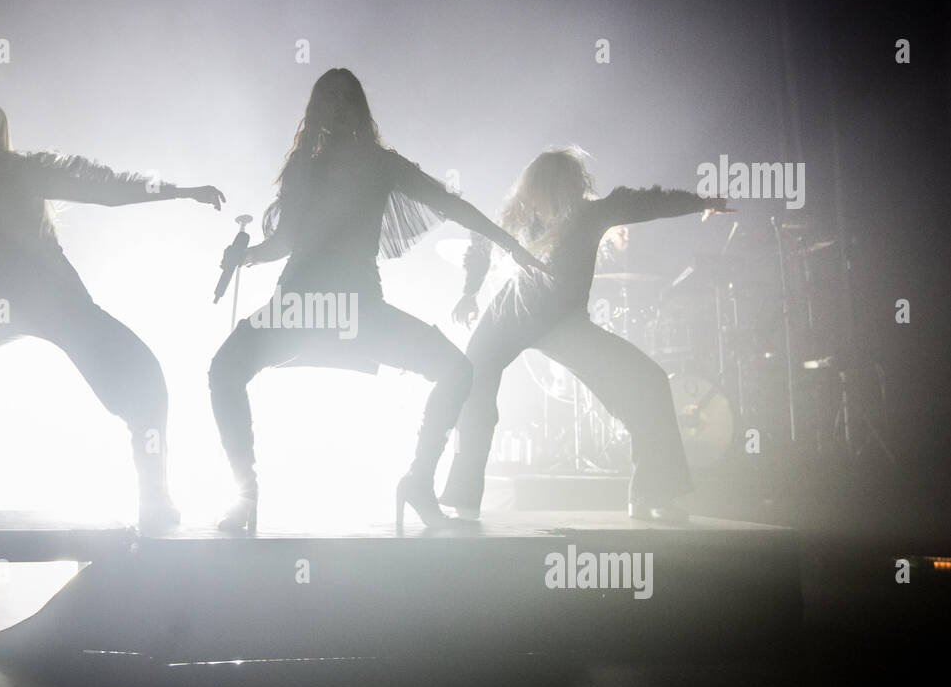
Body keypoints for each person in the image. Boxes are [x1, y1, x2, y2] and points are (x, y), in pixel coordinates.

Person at [209, 68, 541, 533]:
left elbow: (451, 204)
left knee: (456, 370)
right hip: (306, 305)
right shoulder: (311, 167)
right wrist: (248, 254)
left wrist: (509, 242)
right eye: (330, 101)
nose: (338, 110)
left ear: (356, 110)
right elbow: (284, 241)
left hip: (345, 307)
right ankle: (246, 495)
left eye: (345, 101)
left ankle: (417, 484)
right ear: (319, 110)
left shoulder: (378, 164)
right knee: (223, 370)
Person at [0, 93, 224, 531]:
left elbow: (103, 188)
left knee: (145, 381)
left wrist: (179, 192)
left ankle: (155, 499)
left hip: (59, 303)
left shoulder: (17, 170)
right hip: (4, 303)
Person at [442, 147, 727, 523]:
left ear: (573, 189)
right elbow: (481, 241)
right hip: (512, 313)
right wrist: (469, 289)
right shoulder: (521, 215)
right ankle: (462, 499)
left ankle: (650, 494)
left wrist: (700, 201)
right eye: (544, 194)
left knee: (649, 383)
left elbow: (646, 203)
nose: (550, 203)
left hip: (563, 323)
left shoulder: (592, 214)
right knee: (474, 387)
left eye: (559, 192)